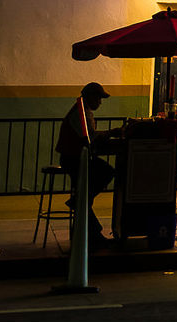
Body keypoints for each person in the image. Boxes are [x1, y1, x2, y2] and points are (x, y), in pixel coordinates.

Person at [56, 82, 122, 247]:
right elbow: (90, 137)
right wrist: (111, 133)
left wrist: (107, 134)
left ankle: (81, 202)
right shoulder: (80, 113)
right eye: (99, 98)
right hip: (74, 158)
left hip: (76, 156)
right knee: (106, 172)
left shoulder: (82, 110)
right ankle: (82, 203)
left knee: (90, 189)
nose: (100, 102)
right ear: (91, 97)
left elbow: (90, 137)